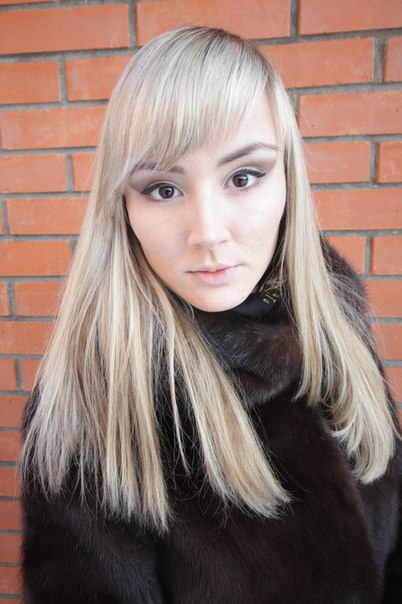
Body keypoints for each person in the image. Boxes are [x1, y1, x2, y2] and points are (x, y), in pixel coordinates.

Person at [21, 25, 401, 603]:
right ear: (122, 206)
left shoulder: (334, 325)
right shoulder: (90, 405)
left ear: (287, 181)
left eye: (243, 177)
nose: (208, 233)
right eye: (163, 189)